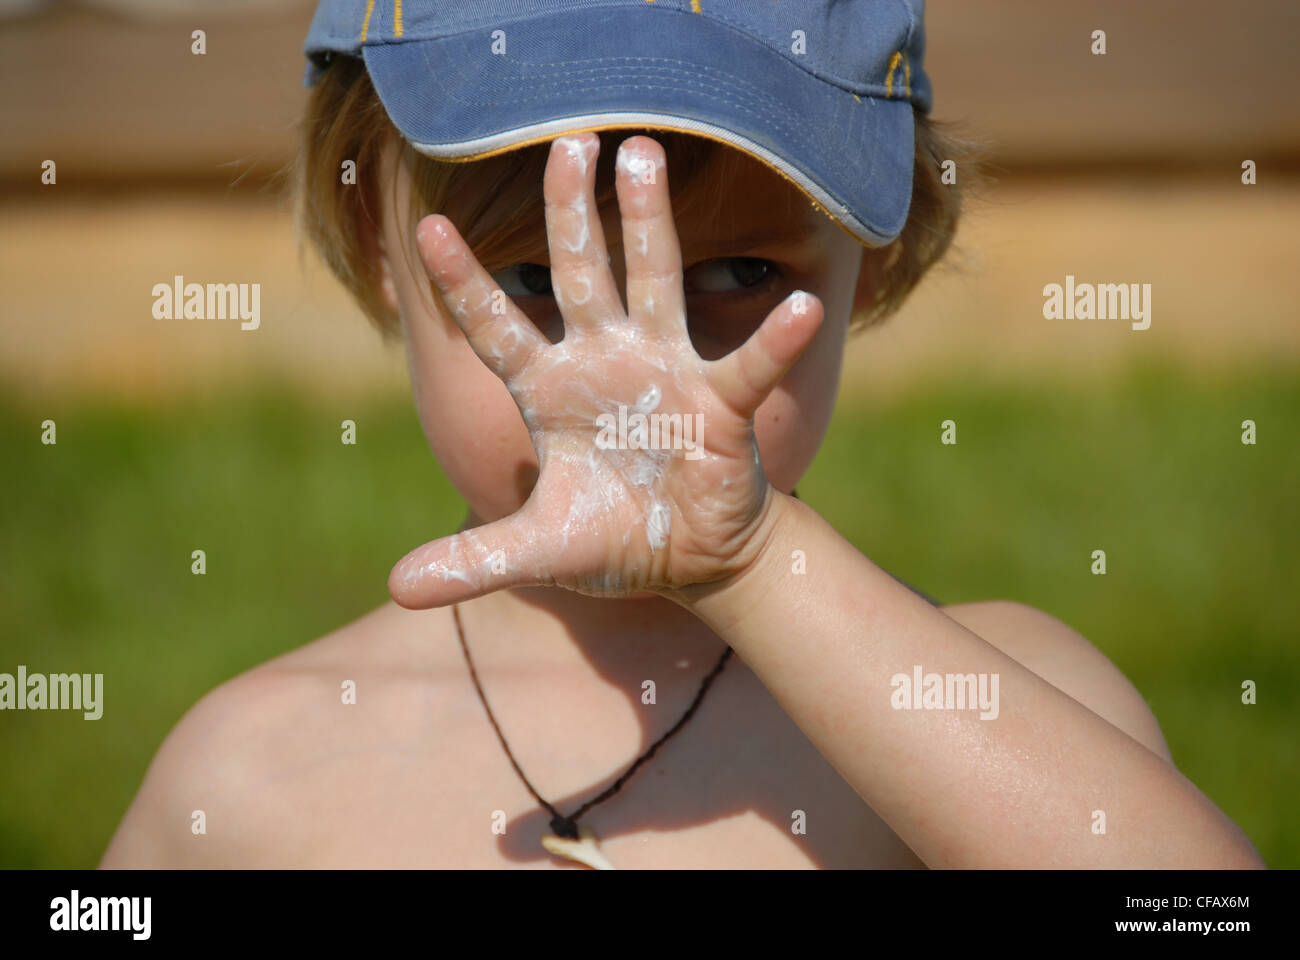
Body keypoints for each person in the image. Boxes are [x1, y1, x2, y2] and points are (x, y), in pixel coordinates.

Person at [100, 0, 1263, 869]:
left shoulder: (994, 705)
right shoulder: (246, 781)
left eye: (738, 270)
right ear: (376, 241)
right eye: (534, 276)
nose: (641, 379)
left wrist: (754, 562)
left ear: (881, 253)